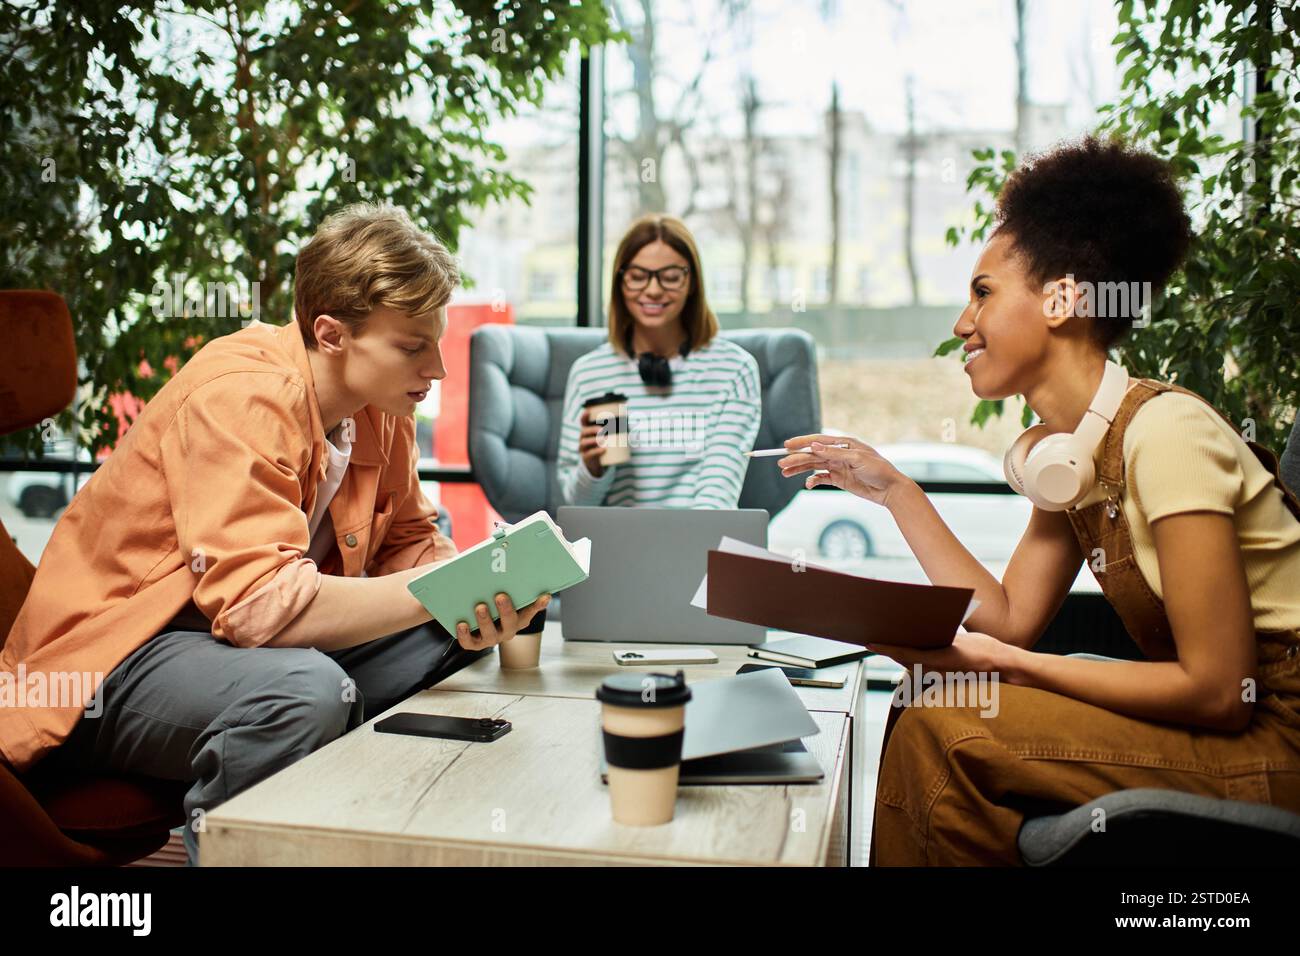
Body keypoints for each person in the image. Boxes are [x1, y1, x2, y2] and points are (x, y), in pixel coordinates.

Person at [780, 136, 1300, 865]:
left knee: (945, 728)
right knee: (920, 694)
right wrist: (897, 492)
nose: (962, 324)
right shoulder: (1074, 452)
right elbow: (1010, 619)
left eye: (983, 292)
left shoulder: (1167, 435)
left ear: (1061, 298)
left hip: (1279, 742)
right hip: (1233, 730)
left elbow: (1220, 691)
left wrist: (1010, 668)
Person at [0, 202, 548, 864]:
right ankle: (238, 850)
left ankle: (358, 823)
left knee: (444, 629)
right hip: (117, 662)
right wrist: (439, 584)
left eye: (435, 342)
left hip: (242, 652)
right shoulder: (242, 393)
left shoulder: (380, 407)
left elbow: (412, 538)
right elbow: (257, 607)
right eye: (412, 346)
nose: (437, 368)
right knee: (301, 693)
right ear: (332, 333)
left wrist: (471, 591)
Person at [557, 214, 761, 508]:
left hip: (698, 543)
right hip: (614, 545)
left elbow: (717, 498)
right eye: (638, 276)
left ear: (692, 282)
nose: (653, 290)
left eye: (670, 276)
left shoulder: (733, 370)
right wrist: (594, 468)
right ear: (620, 282)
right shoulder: (591, 373)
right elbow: (576, 506)